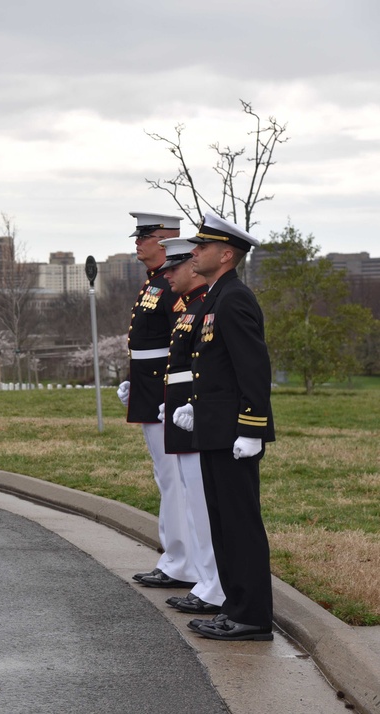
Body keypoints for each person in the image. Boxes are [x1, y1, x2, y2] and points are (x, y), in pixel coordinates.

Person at [172, 213, 275, 641]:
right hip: (216, 430)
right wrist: (199, 408)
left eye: (203, 246)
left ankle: (252, 616)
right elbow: (216, 370)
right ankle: (235, 609)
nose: (194, 251)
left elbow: (253, 369)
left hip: (235, 435)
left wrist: (252, 429)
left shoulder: (233, 298)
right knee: (223, 525)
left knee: (239, 524)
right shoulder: (216, 297)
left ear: (226, 254)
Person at [118, 212, 199, 590]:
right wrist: (133, 378)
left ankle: (182, 562)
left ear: (167, 238)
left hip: (165, 390)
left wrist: (173, 391)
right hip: (150, 386)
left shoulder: (173, 285)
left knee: (174, 480)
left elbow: (181, 344)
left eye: (146, 235)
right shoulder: (156, 283)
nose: (138, 242)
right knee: (166, 477)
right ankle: (174, 557)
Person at [155, 237, 224, 617]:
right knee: (193, 501)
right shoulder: (190, 309)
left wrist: (193, 404)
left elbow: (206, 367)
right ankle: (206, 580)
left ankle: (213, 583)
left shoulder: (201, 307)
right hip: (183, 411)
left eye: (175, 267)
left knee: (201, 504)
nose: (169, 274)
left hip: (195, 414)